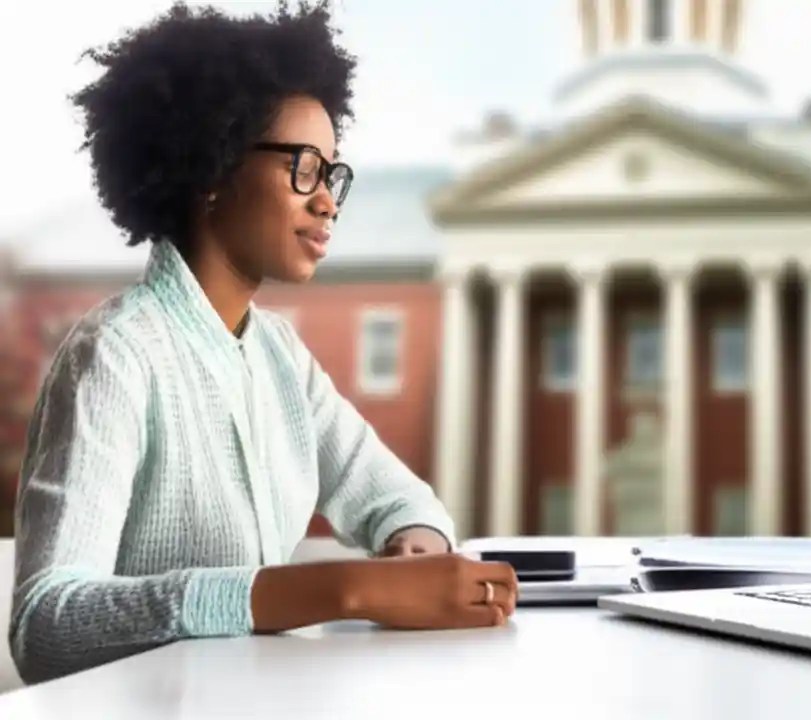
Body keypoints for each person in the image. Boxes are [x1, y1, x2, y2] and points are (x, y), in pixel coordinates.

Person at [8, 1, 517, 685]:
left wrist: (413, 555)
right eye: (304, 167)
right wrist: (339, 591)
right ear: (212, 168)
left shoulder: (278, 356)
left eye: (332, 174)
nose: (328, 201)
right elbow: (47, 624)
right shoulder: (113, 357)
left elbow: (400, 499)